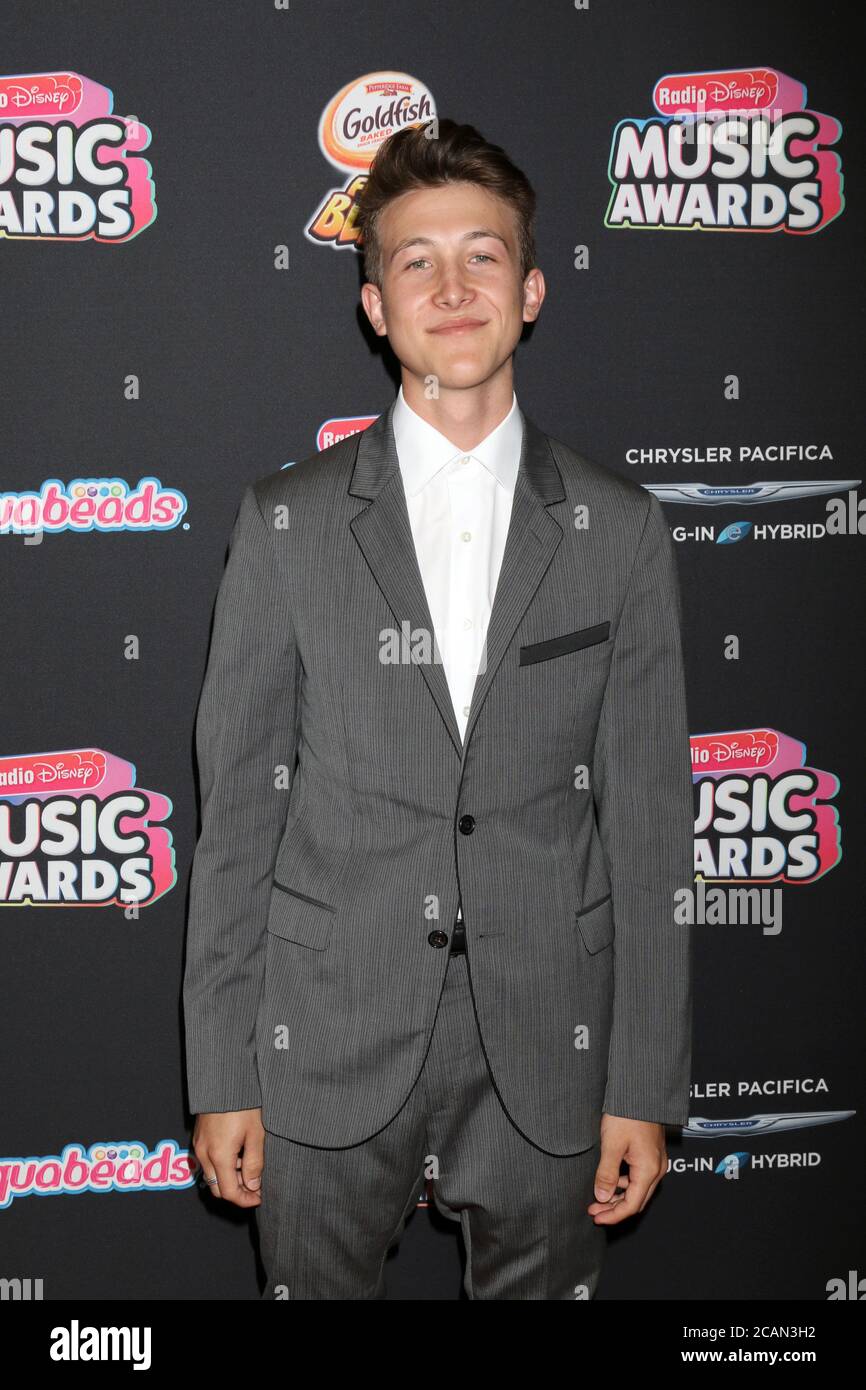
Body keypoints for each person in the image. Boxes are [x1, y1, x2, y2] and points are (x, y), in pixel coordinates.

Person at [183, 119, 694, 1300]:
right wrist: (223, 1071)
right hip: (320, 1033)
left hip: (549, 1045)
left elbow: (652, 824)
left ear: (530, 290)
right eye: (415, 261)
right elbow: (236, 828)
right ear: (374, 304)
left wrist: (643, 1084)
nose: (450, 286)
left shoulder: (618, 529)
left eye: (480, 256)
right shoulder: (284, 524)